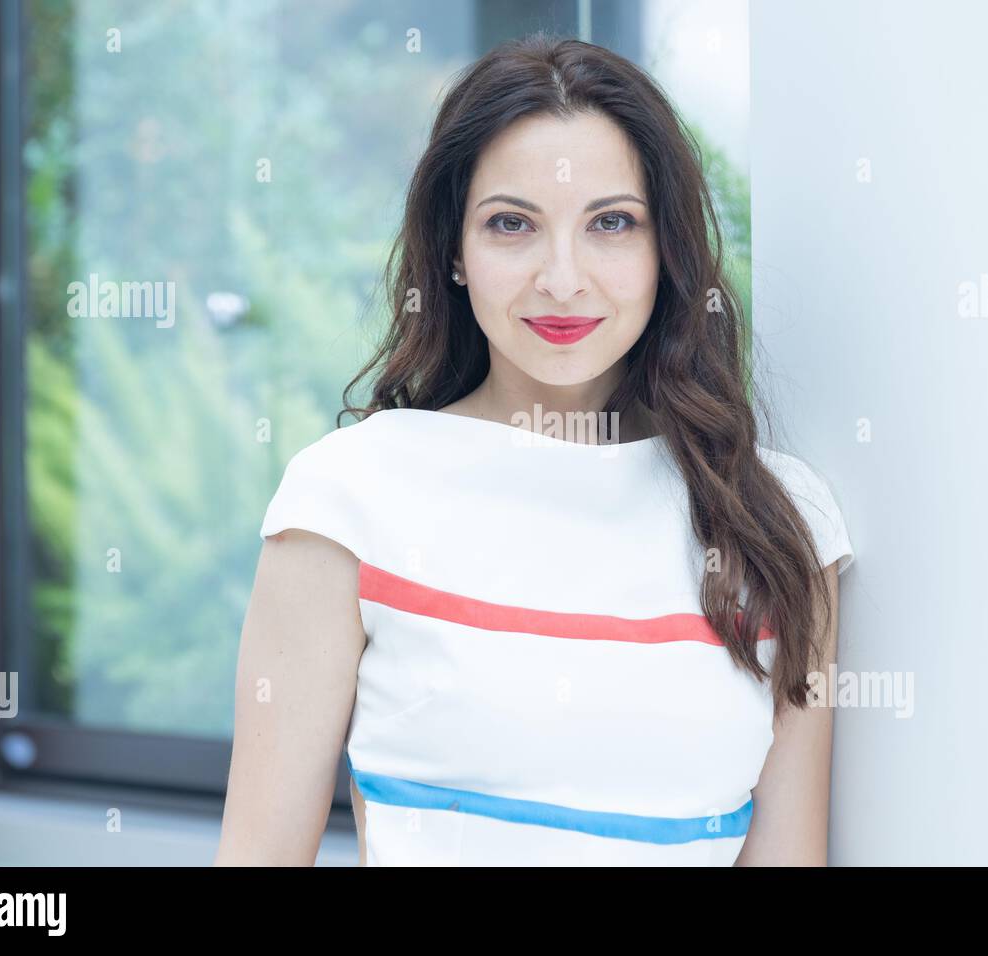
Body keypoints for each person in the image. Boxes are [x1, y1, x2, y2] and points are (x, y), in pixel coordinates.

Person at [215, 32, 854, 867]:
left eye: (612, 224)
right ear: (452, 251)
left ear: (668, 250)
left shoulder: (778, 521)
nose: (562, 278)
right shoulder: (348, 501)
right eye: (512, 224)